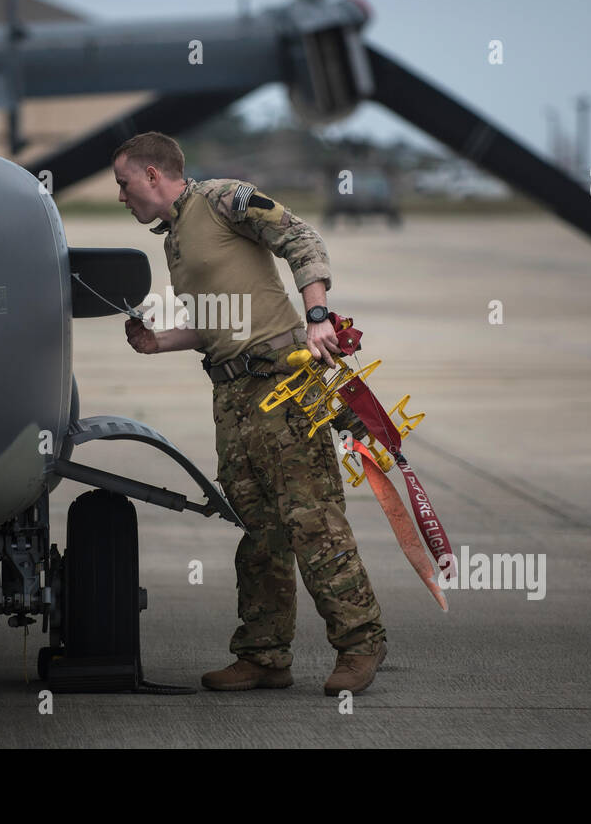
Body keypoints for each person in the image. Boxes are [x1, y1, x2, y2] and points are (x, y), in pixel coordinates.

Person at [113, 131, 388, 695]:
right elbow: (217, 322)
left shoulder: (223, 200)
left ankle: (360, 644)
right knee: (259, 533)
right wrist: (157, 342)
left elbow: (301, 239)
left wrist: (319, 316)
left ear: (152, 176)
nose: (121, 196)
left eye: (123, 183)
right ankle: (264, 655)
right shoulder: (175, 240)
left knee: (312, 521)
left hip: (284, 388)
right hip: (234, 398)